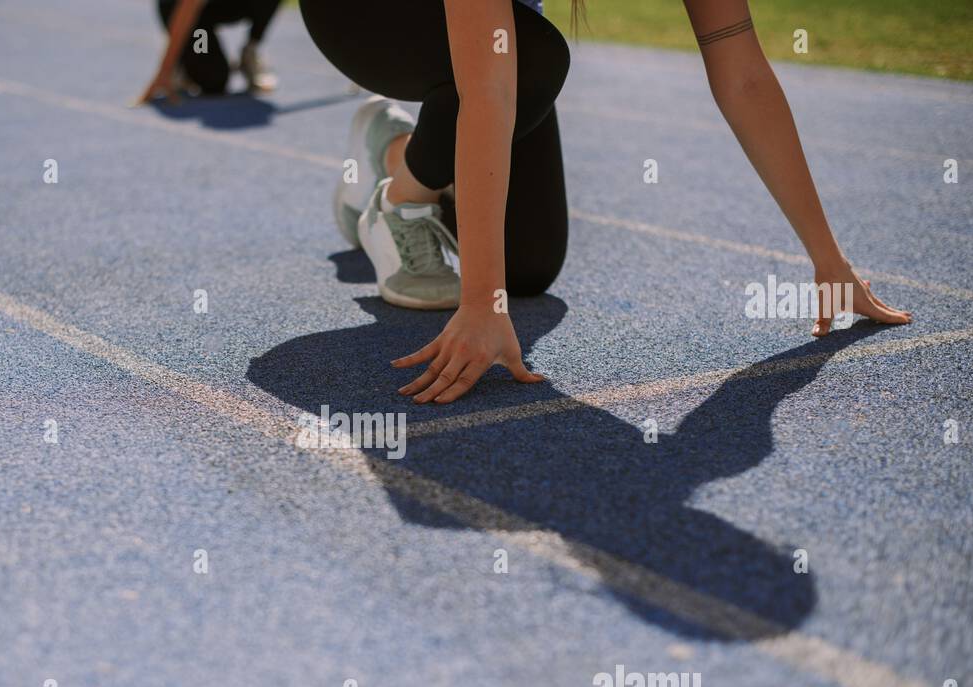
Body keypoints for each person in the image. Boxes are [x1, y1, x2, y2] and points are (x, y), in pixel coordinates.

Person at [304, 0, 911, 405]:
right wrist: (482, 302)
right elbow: (489, 88)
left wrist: (828, 261)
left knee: (528, 267)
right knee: (532, 58)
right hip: (361, 14)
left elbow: (744, 76)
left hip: (507, 36)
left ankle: (395, 151)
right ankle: (403, 196)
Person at [138, 0, 280, 104]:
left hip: (215, 6)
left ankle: (250, 52)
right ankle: (183, 61)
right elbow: (189, 6)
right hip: (182, 10)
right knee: (214, 79)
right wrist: (165, 70)